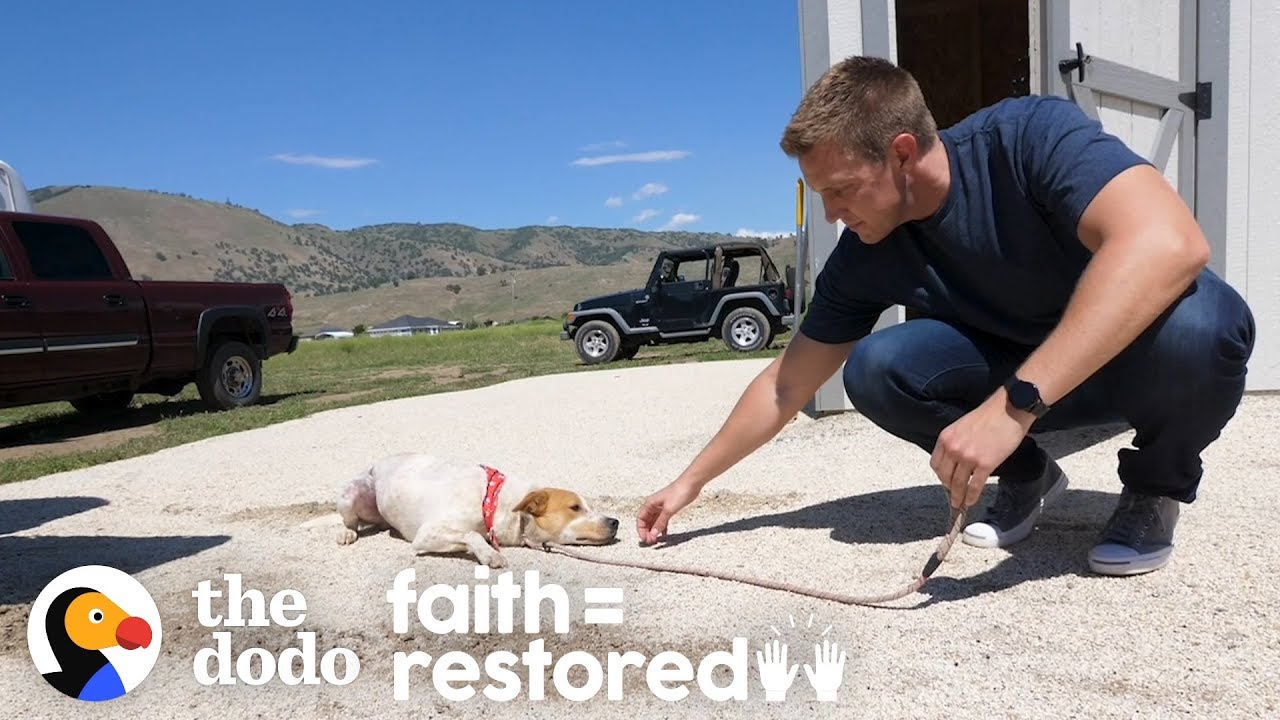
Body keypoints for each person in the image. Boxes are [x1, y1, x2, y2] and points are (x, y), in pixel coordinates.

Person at [634, 56, 1256, 577]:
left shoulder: (1027, 137)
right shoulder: (865, 252)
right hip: (1028, 384)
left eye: (842, 189)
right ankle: (1028, 478)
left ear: (902, 153)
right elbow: (786, 383)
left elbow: (1171, 244)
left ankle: (1155, 489)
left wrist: (1014, 406)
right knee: (877, 367)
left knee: (1206, 322)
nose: (831, 214)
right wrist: (689, 484)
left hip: (1131, 365)